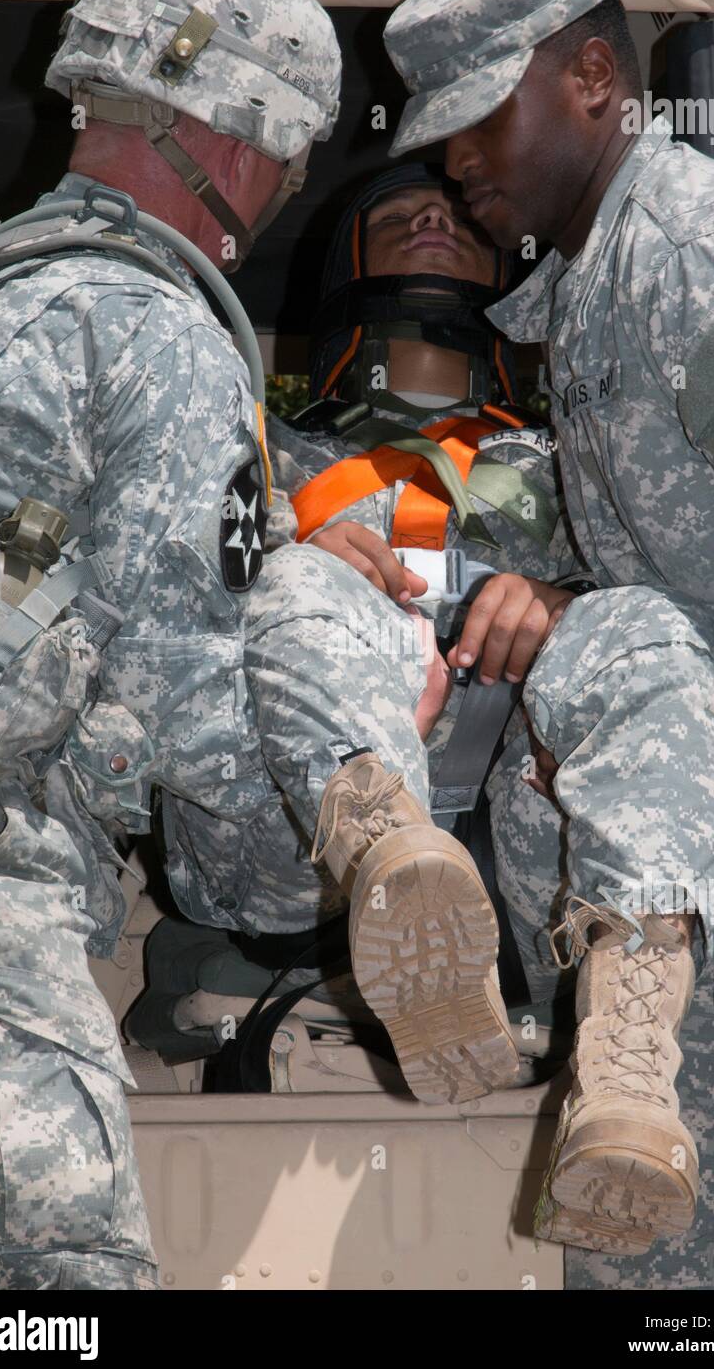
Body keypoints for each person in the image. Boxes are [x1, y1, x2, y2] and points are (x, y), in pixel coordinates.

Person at [0, 0, 514, 1292]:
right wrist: (358, 744)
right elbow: (187, 708)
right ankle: (378, 824)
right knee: (48, 1293)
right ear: (246, 145)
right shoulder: (157, 336)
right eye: (292, 161)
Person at [383, 0, 714, 1289]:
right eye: (439, 129)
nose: (455, 159)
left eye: (479, 115)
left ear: (589, 76)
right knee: (671, 1287)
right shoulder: (590, 290)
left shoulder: (696, 255)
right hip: (709, 860)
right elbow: (693, 557)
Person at [132, 161, 585, 1072]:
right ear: (348, 268)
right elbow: (149, 621)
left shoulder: (580, 469)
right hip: (296, 873)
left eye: (458, 215)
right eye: (399, 216)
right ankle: (389, 856)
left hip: (523, 881)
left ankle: (624, 1013)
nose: (431, 221)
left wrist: (564, 604)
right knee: (283, 576)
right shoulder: (254, 454)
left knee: (633, 632)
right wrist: (279, 556)